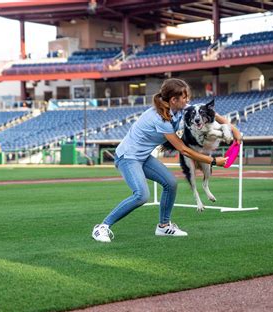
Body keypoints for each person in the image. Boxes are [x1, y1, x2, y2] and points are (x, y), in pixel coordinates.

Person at [92, 78, 241, 242]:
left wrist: (235, 131)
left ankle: (164, 226)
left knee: (170, 183)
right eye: (184, 97)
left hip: (142, 156)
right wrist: (213, 161)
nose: (187, 100)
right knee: (141, 195)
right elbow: (183, 149)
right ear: (173, 100)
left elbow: (217, 116)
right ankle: (102, 227)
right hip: (127, 157)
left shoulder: (180, 108)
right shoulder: (160, 118)